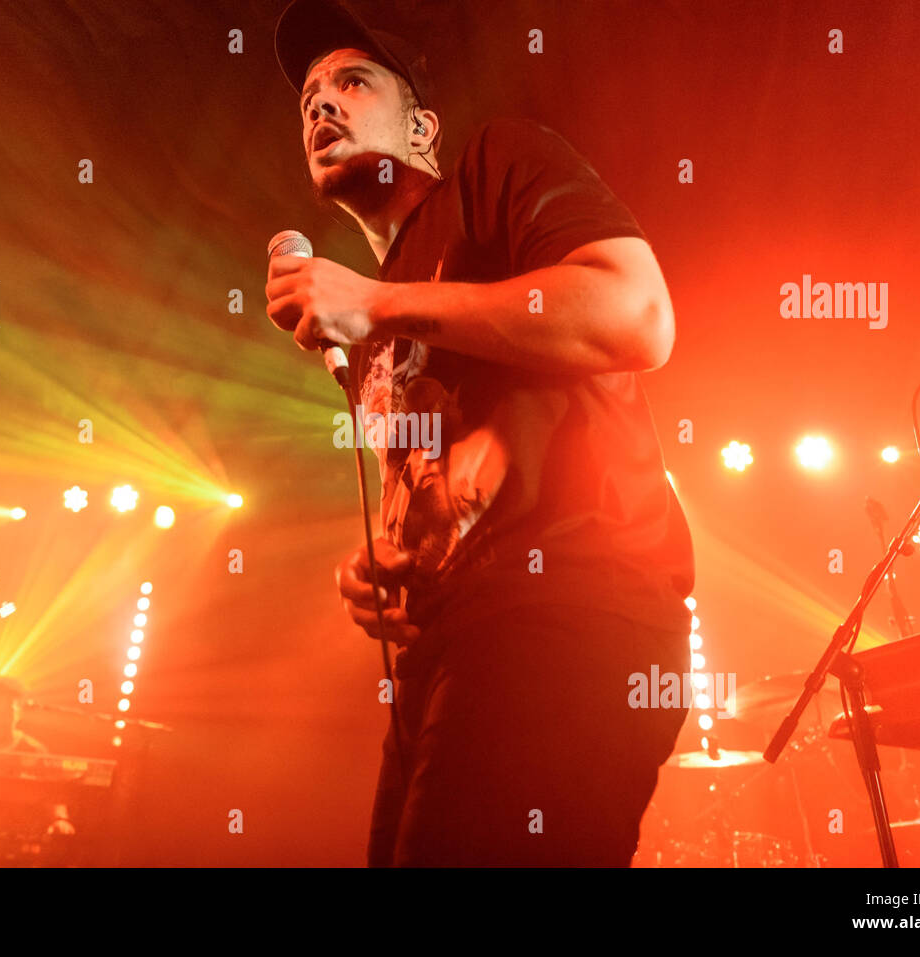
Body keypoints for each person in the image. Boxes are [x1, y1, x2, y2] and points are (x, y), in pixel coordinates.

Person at [267, 0, 696, 866]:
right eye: (309, 94)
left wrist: (376, 302)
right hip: (448, 644)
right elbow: (444, 471)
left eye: (352, 81)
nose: (321, 104)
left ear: (421, 125)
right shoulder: (370, 309)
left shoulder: (494, 164)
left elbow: (637, 312)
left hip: (572, 607)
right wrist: (394, 556)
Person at [0, 676, 74, 840]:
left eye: (6, 712)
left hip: (22, 835)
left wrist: (60, 819)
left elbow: (53, 792)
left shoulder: (34, 751)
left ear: (18, 713)